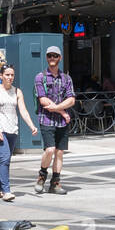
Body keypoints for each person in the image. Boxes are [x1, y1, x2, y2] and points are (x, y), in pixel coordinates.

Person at [0, 65, 39, 202]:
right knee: (5, 157)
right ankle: (7, 191)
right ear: (1, 76)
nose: (10, 77)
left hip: (12, 129)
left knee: (5, 160)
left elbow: (23, 110)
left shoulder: (17, 92)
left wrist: (31, 126)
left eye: (12, 75)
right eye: (7, 75)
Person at [33, 45, 76, 195]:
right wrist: (63, 111)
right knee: (50, 150)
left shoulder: (66, 78)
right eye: (50, 55)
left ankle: (55, 183)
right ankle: (41, 176)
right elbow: (43, 100)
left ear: (60, 58)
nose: (52, 58)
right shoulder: (40, 77)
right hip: (46, 120)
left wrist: (59, 109)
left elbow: (71, 99)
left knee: (59, 153)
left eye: (55, 56)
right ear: (46, 57)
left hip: (62, 123)